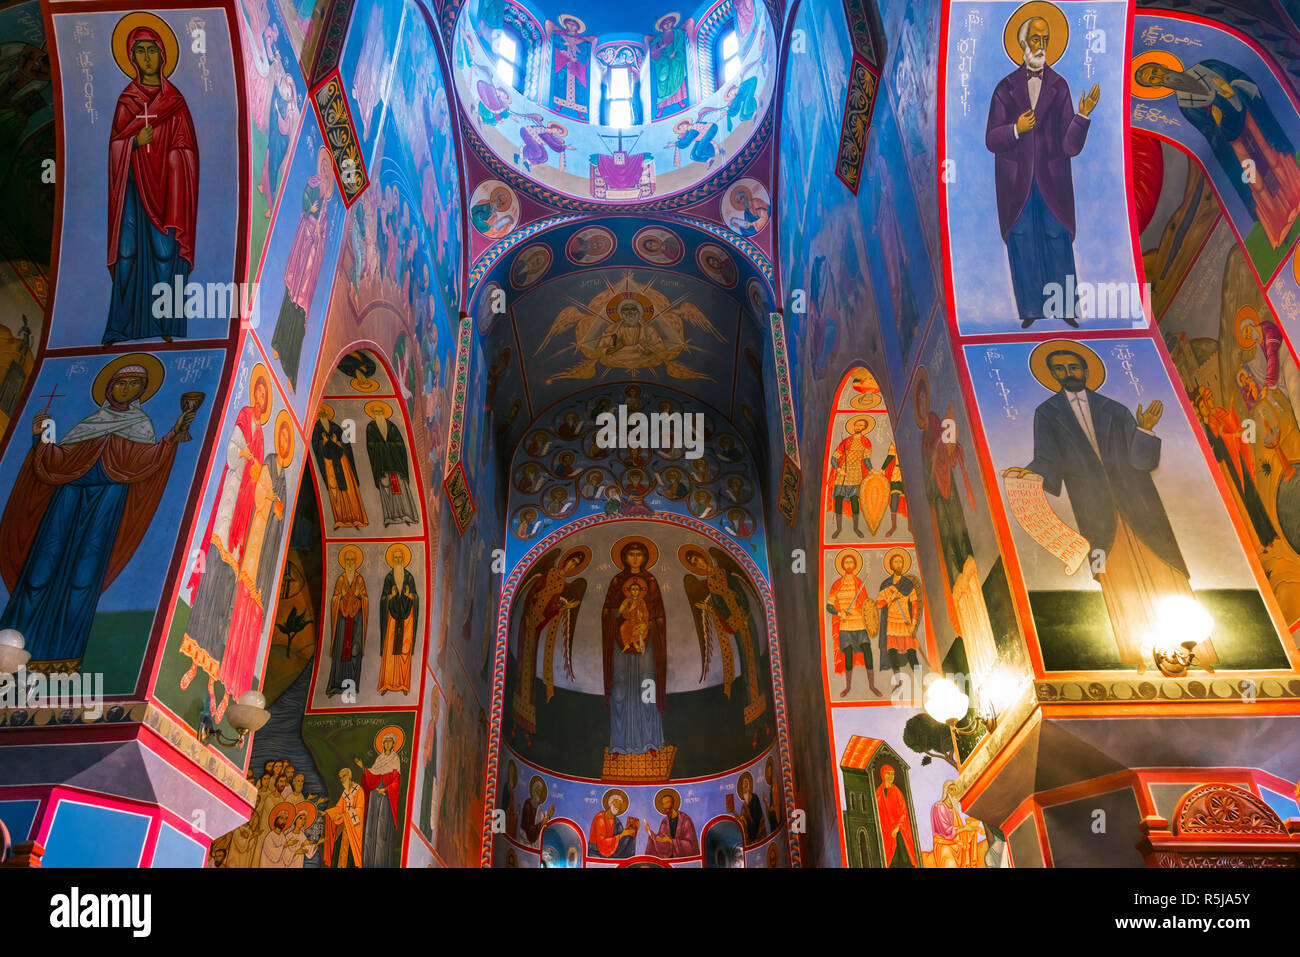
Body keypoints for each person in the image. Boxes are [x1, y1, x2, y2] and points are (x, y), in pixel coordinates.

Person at [1007, 342, 1216, 671]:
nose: (1067, 374)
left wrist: (1144, 428)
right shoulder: (1047, 413)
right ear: (1052, 375)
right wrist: (1028, 475)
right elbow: (1048, 458)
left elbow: (1142, 460)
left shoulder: (1115, 409)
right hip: (1095, 510)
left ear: (1086, 370)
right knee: (1114, 572)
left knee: (1164, 565)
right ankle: (1139, 659)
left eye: (1072, 367)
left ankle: (1197, 655)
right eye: (1059, 370)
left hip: (1140, 504)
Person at [1, 356, 193, 669]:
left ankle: (63, 657)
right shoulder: (88, 424)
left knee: (84, 575)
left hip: (107, 503)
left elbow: (148, 459)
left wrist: (172, 435)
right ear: (109, 386)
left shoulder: (141, 426)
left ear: (141, 392)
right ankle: (12, 650)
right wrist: (39, 437)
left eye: (133, 385)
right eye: (121, 382)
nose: (126, 389)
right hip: (65, 500)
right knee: (40, 570)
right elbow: (56, 461)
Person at [985, 9, 1099, 327]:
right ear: (1022, 43)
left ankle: (1064, 307)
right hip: (1016, 181)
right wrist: (1016, 128)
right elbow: (992, 139)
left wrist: (1082, 116)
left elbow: (1069, 146)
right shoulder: (1005, 88)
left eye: (1045, 39)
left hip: (1052, 179)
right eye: (1035, 38)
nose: (1041, 44)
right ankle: (1031, 308)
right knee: (1021, 237)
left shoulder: (1059, 87)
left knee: (1056, 235)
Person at [1135, 59, 1300, 248]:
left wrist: (1231, 92)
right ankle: (1281, 222)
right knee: (1257, 182)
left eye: (1155, 72)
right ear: (1156, 86)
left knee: (1272, 159)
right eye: (1154, 80)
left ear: (1162, 66)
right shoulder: (1186, 105)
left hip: (1250, 120)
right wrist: (1217, 124)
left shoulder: (1207, 67)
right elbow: (1209, 132)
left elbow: (1241, 79)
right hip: (1235, 143)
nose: (1159, 77)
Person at [105, 20, 199, 344]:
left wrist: (173, 157)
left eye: (152, 51)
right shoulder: (126, 101)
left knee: (164, 253)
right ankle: (119, 326)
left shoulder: (175, 102)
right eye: (140, 51)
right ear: (132, 58)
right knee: (127, 251)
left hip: (166, 193)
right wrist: (132, 142)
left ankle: (166, 325)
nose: (146, 58)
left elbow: (187, 150)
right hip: (132, 187)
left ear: (162, 55)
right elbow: (115, 146)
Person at [601, 540, 666, 757]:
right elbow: (609, 612)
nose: (636, 558)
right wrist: (622, 621)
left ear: (645, 557)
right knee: (620, 688)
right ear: (625, 557)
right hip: (621, 642)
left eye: (639, 554)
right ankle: (619, 744)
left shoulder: (651, 582)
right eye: (631, 554)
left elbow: (659, 616)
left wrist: (647, 626)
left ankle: (650, 742)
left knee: (647, 685)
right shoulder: (617, 581)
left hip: (645, 644)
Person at [827, 549, 879, 697]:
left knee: (867, 651)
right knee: (848, 655)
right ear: (843, 565)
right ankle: (847, 687)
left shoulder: (859, 583)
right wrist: (839, 613)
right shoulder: (837, 585)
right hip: (845, 625)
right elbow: (829, 606)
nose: (849, 564)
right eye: (846, 562)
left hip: (860, 624)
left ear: (854, 565)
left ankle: (872, 685)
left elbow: (867, 606)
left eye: (851, 562)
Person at [325, 545, 367, 696]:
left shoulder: (359, 579)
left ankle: (352, 686)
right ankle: (336, 685)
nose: (349, 562)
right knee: (340, 652)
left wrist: (358, 597)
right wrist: (341, 597)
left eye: (352, 560)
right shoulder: (341, 579)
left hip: (355, 622)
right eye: (347, 560)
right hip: (342, 623)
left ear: (356, 562)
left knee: (354, 652)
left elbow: (365, 600)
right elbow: (334, 599)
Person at [357, 732, 402, 868]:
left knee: (381, 829)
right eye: (385, 741)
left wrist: (386, 789)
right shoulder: (379, 759)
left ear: (394, 744)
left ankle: (379, 863)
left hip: (386, 796)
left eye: (390, 741)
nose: (387, 743)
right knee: (371, 827)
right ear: (383, 744)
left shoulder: (395, 759)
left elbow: (396, 782)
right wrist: (362, 767)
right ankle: (368, 862)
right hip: (374, 794)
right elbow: (372, 776)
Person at [930, 781, 982, 868]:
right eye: (951, 789)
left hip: (957, 846)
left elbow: (960, 833)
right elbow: (945, 831)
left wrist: (972, 830)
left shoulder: (954, 811)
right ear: (946, 791)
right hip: (944, 846)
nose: (954, 793)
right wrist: (965, 828)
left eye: (955, 790)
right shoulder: (938, 807)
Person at [323, 766, 365, 868]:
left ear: (349, 776)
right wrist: (328, 813)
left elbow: (359, 810)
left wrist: (343, 816)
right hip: (343, 827)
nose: (342, 779)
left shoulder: (359, 790)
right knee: (337, 853)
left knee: (350, 857)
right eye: (340, 777)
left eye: (344, 776)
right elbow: (339, 807)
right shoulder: (345, 793)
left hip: (353, 829)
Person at [876, 764, 917, 867]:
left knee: (904, 857)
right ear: (883, 775)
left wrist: (897, 827)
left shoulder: (897, 792)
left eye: (892, 774)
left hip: (899, 831)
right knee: (891, 860)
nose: (891, 776)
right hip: (886, 832)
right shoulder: (878, 793)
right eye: (888, 774)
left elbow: (904, 812)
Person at [644, 787, 698, 858]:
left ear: (673, 804)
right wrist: (649, 832)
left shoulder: (685, 820)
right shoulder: (664, 822)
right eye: (663, 804)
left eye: (667, 803)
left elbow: (691, 846)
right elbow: (660, 841)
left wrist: (671, 841)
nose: (664, 806)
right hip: (669, 858)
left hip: (682, 860)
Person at [588, 788, 637, 858]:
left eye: (618, 807)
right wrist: (622, 835)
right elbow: (602, 842)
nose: (616, 808)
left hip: (610, 849)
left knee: (630, 836)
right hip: (596, 851)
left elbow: (622, 838)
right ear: (610, 804)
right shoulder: (600, 818)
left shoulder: (616, 821)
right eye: (615, 804)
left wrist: (629, 832)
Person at [736, 772, 766, 844]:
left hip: (756, 824)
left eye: (746, 786)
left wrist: (749, 815)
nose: (745, 789)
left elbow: (758, 814)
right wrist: (741, 817)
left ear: (749, 786)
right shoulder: (744, 803)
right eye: (744, 787)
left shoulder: (754, 797)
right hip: (749, 828)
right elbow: (743, 816)